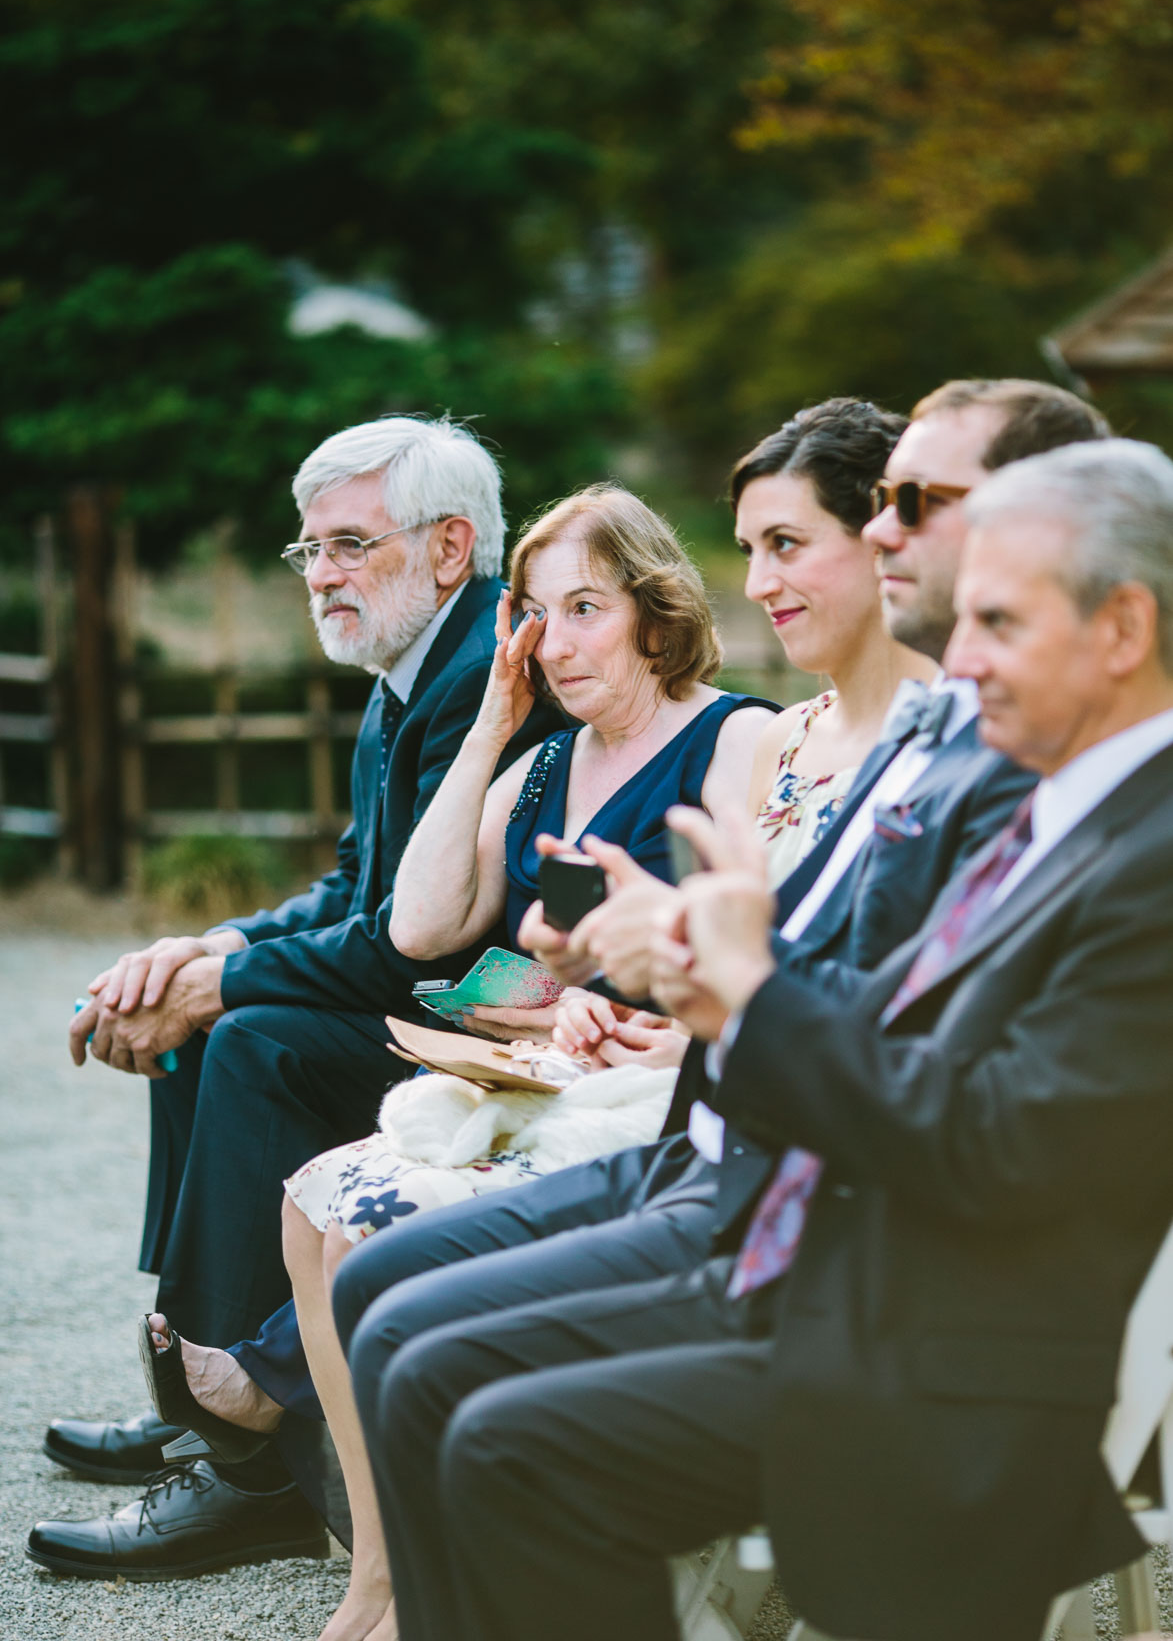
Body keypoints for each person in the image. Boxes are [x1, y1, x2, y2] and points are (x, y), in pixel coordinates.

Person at [307, 378, 1103, 1640]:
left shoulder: (1033, 780)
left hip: (867, 1255)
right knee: (387, 1292)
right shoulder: (926, 739)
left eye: (917, 503)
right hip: (744, 1154)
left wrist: (731, 997)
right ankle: (392, 1588)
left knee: (465, 1388)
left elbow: (988, 1120)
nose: (892, 533)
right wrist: (691, 967)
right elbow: (419, 927)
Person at [46, 417, 563, 1513]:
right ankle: (202, 1372)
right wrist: (207, 946)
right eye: (308, 549)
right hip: (420, 999)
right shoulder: (410, 660)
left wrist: (217, 988)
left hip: (490, 1027)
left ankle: (251, 1460)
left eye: (349, 545)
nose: (319, 574)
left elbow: (422, 947)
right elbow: (348, 884)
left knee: (252, 1036)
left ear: (448, 545)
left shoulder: (491, 676)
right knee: (212, 1020)